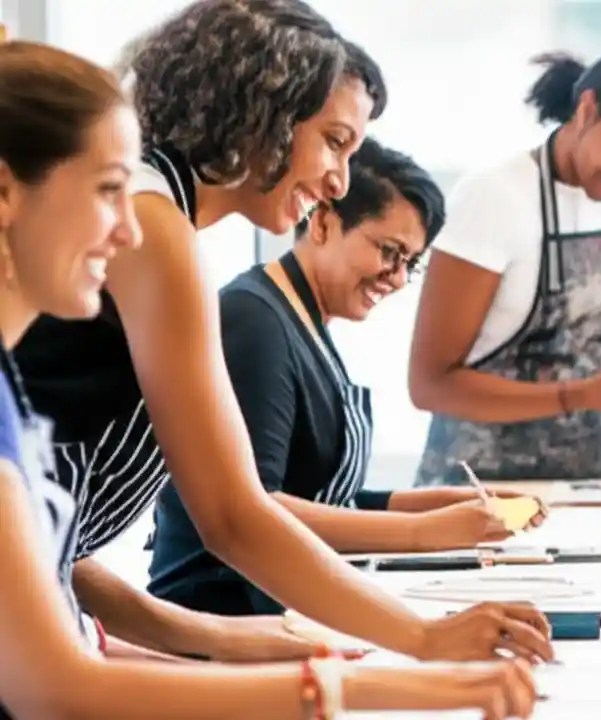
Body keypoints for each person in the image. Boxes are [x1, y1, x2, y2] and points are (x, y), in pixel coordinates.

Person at [0, 39, 536, 720]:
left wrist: (215, 638)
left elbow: (48, 568)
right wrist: (387, 671)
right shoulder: (204, 270)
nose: (127, 230)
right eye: (110, 192)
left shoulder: (13, 390)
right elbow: (233, 517)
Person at [148, 138, 547, 616]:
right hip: (227, 615)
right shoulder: (254, 320)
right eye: (389, 252)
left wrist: (455, 505)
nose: (397, 279)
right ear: (321, 222)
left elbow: (335, 499)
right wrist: (427, 533)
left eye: (410, 264)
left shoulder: (304, 321)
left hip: (284, 608)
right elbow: (259, 507)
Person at [409, 50, 601, 484]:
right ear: (587, 109)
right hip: (478, 490)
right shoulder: (494, 197)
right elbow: (430, 385)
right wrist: (580, 395)